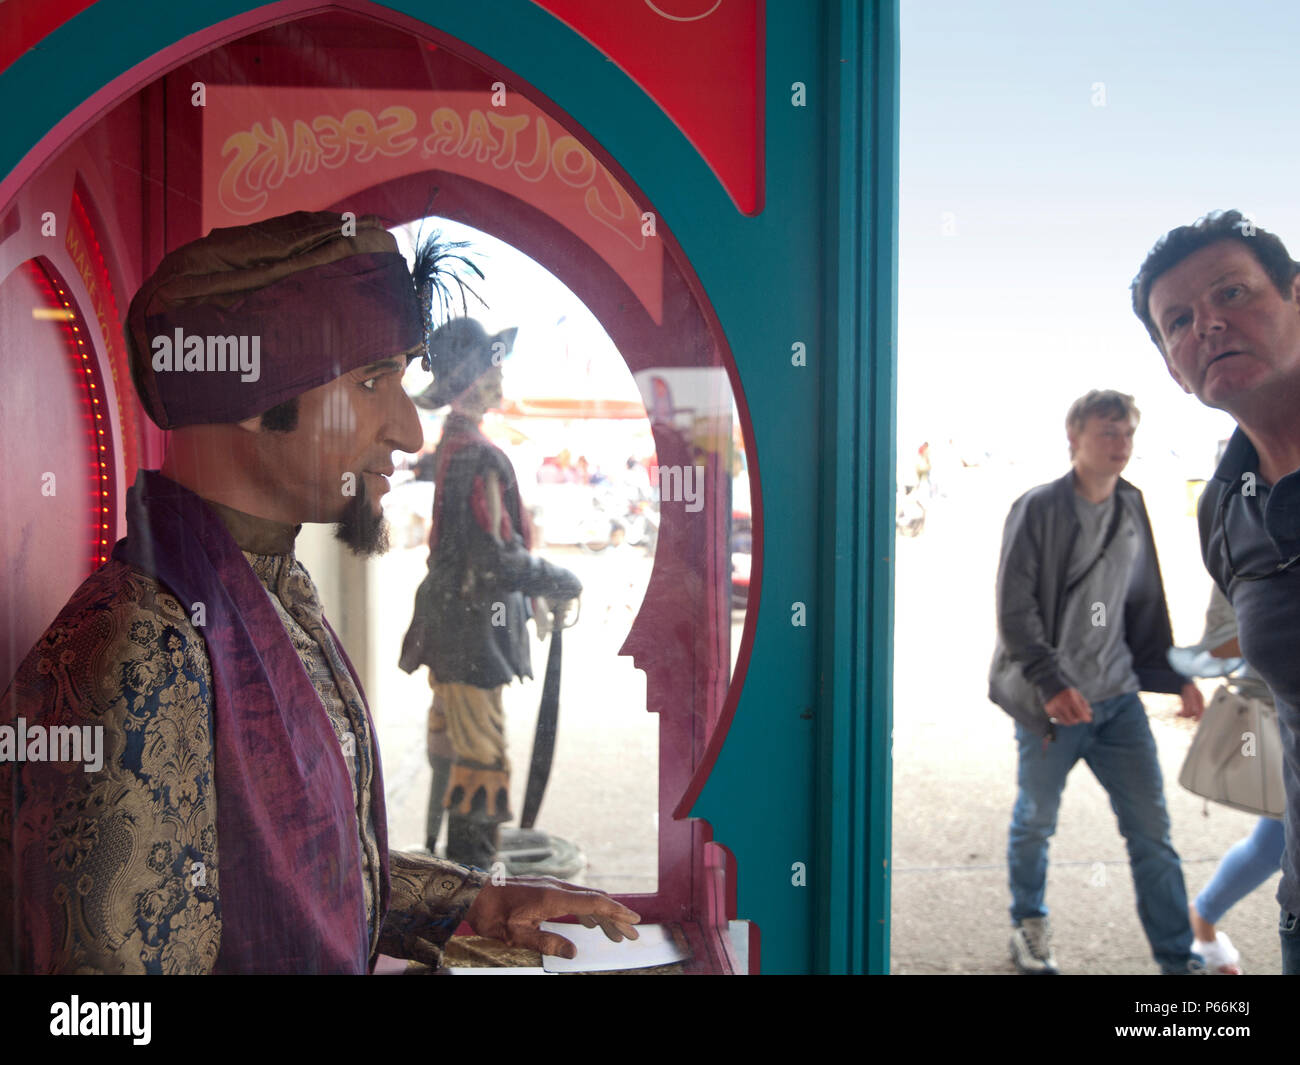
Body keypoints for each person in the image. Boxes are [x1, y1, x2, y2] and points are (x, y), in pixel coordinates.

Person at [0, 210, 637, 973]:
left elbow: (281, 868)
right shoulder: (139, 653)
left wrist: (469, 901)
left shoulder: (267, 590)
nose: (407, 429)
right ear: (247, 393)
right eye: (373, 382)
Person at [1132, 209, 1300, 974]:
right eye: (1179, 321)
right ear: (1173, 365)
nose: (1209, 324)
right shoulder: (1226, 509)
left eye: (1234, 292)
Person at [988, 389, 1206, 975]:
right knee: (1035, 822)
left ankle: (1177, 962)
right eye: (1108, 432)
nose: (1121, 445)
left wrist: (1173, 675)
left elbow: (1144, 599)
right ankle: (1027, 926)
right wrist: (1050, 683)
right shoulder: (1037, 509)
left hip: (1119, 704)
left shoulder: (1131, 504)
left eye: (1128, 433)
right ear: (1074, 438)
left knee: (1153, 838)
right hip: (1052, 709)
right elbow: (1015, 609)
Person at [398, 317, 581, 869]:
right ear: (471, 379)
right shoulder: (476, 453)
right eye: (490, 364)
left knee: (454, 751)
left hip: (453, 627)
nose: (499, 374)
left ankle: (448, 876)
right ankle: (471, 900)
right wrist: (559, 579)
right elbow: (495, 557)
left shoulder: (457, 445)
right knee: (480, 762)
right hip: (471, 635)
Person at [1169, 583, 1284, 974]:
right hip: (1284, 715)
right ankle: (1202, 921)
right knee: (1276, 843)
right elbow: (1221, 644)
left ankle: (1202, 919)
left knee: (1275, 843)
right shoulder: (1251, 528)